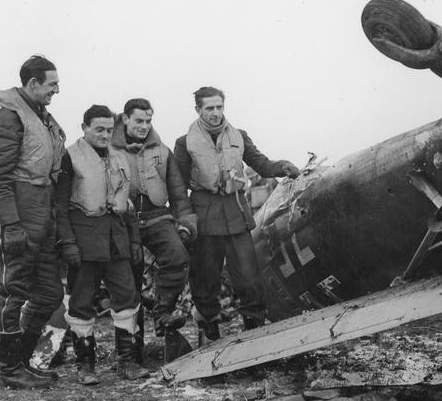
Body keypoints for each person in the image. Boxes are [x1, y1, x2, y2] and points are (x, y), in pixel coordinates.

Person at [174, 86, 300, 342]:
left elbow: (262, 164)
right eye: (209, 108)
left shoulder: (239, 136)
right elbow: (178, 186)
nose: (216, 113)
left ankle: (254, 331)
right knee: (205, 277)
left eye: (219, 107)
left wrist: (282, 166)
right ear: (198, 110)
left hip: (235, 214)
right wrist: (184, 218)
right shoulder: (184, 143)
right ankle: (209, 331)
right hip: (204, 216)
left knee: (248, 276)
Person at [0, 55, 66, 390]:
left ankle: (22, 362)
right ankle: (8, 370)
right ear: (32, 84)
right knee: (10, 292)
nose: (56, 90)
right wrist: (10, 225)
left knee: (48, 293)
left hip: (41, 217)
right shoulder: (6, 119)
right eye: (52, 84)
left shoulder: (42, 119)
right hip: (14, 216)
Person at [55, 105, 150, 384]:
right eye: (99, 129)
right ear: (84, 128)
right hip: (84, 240)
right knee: (82, 302)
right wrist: (68, 244)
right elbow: (59, 207)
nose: (105, 135)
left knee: (127, 297)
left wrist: (133, 240)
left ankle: (127, 363)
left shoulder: (119, 157)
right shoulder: (70, 157)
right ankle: (86, 366)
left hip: (116, 238)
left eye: (109, 130)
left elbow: (128, 204)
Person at [111, 98, 197, 350]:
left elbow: (178, 193)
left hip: (157, 215)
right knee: (130, 280)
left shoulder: (162, 150)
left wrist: (186, 224)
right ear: (125, 119)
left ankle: (163, 314)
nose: (144, 126)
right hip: (123, 221)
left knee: (177, 256)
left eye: (148, 121)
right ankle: (131, 350)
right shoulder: (110, 149)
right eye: (139, 120)